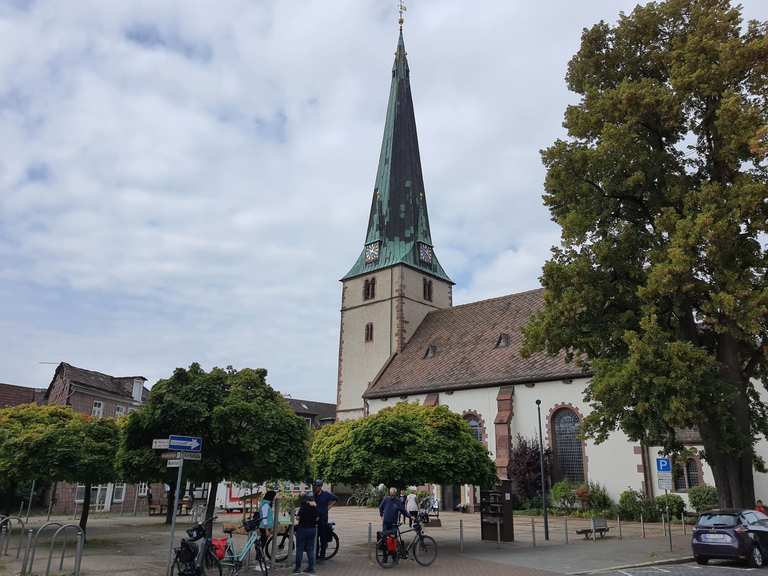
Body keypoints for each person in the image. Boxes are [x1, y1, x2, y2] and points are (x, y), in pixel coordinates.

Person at [312, 480, 337, 560]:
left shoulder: (326, 494)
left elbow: (335, 499)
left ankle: (322, 555)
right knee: (315, 538)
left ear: (320, 487)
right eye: (314, 486)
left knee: (323, 538)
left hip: (323, 519)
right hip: (314, 519)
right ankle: (315, 555)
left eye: (316, 486)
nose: (315, 488)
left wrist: (328, 508)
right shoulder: (313, 495)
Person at [294, 493, 318, 574]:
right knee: (310, 549)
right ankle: (311, 568)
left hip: (302, 530)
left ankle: (297, 568)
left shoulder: (303, 507)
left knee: (299, 549)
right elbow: (317, 517)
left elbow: (298, 518)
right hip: (312, 530)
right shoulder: (315, 507)